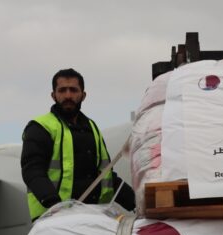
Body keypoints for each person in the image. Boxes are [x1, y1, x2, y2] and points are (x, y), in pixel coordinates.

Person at [21, 68, 136, 220]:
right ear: (53, 95)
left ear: (83, 95)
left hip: (93, 218)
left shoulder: (93, 129)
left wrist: (137, 203)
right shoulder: (40, 127)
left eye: (73, 90)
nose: (68, 95)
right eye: (62, 90)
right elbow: (32, 170)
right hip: (53, 219)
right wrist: (54, 204)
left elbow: (107, 177)